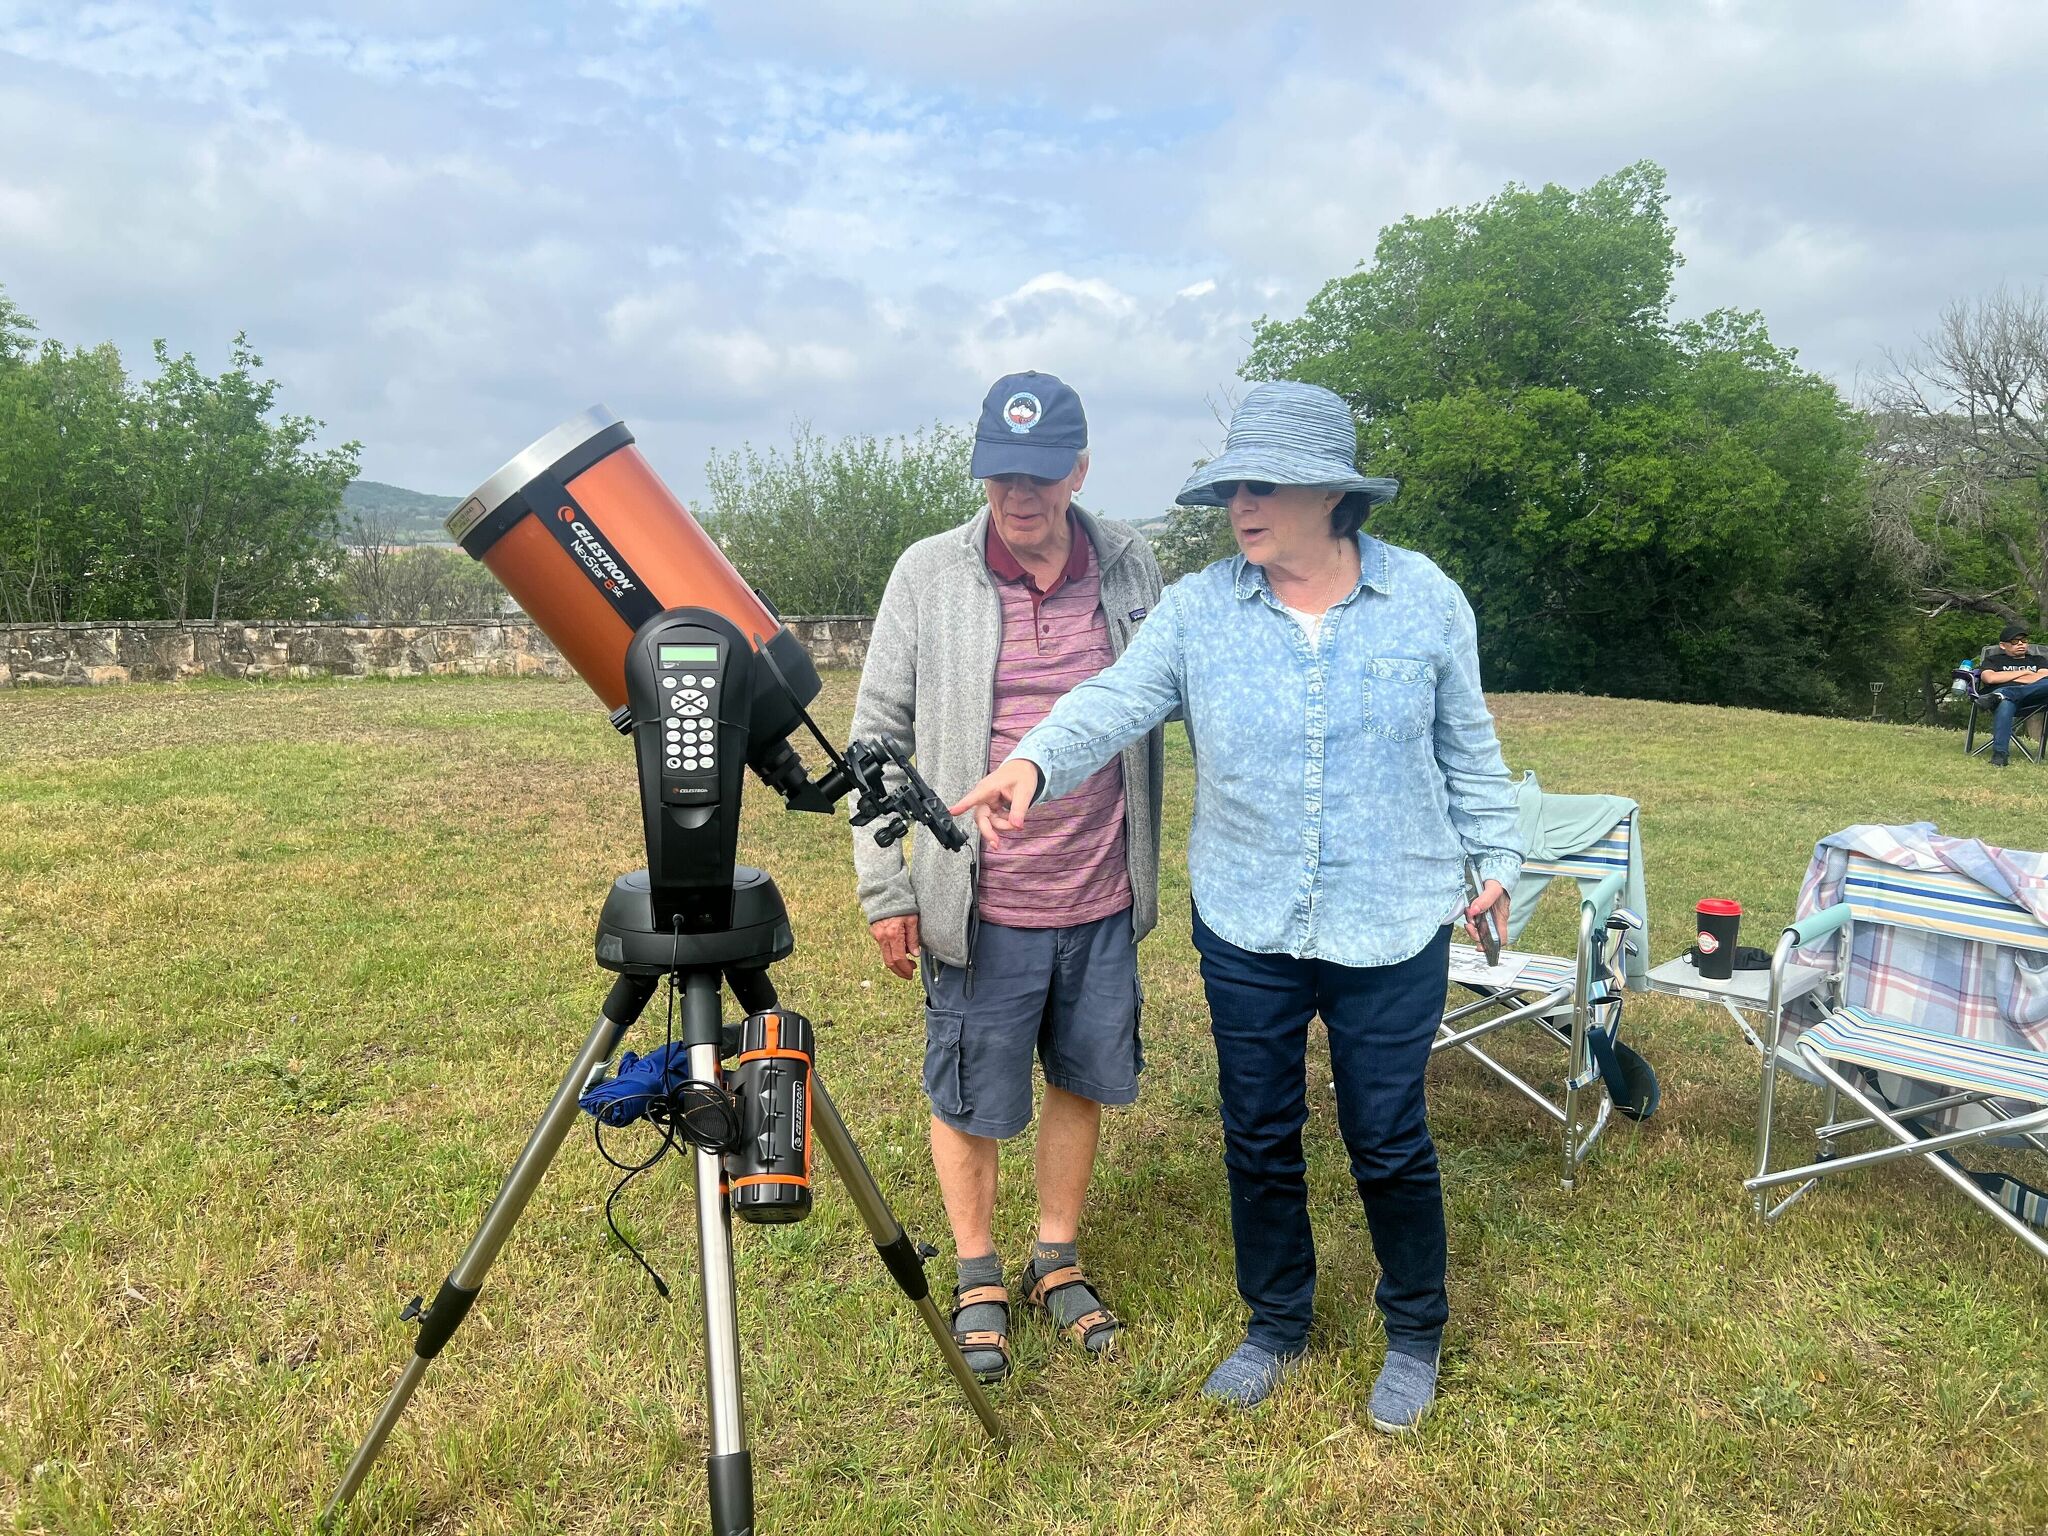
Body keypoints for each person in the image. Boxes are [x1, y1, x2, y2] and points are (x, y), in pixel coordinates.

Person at [952, 380, 1520, 1430]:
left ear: (1327, 496)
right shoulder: (1204, 608)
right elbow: (1114, 700)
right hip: (1248, 916)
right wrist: (1031, 764)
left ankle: (1413, 1331)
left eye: (1259, 487)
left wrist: (1494, 854)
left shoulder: (1426, 600)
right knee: (1257, 1130)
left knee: (1386, 1132)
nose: (1237, 508)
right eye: (1228, 491)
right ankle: (1274, 1324)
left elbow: (1466, 744)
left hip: (1390, 916)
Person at [850, 369, 1168, 1383]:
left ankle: (1055, 1257)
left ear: (1078, 468)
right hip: (975, 897)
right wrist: (885, 888)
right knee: (970, 1094)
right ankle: (979, 1271)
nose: (1016, 496)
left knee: (1081, 1079)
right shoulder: (927, 573)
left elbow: (1165, 697)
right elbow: (873, 743)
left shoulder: (1129, 565)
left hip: (1100, 889)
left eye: (1037, 476)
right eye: (998, 475)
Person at [1977, 621, 2048, 767]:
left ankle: (2005, 693)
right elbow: (1989, 678)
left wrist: (2006, 677)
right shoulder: (1993, 660)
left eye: (2024, 640)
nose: (2021, 644)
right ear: (2003, 645)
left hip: (2033, 700)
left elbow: (2041, 677)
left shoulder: (2038, 659)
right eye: (2015, 641)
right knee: (2005, 703)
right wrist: (2025, 672)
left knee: (2005, 696)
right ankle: (2000, 755)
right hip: (2005, 701)